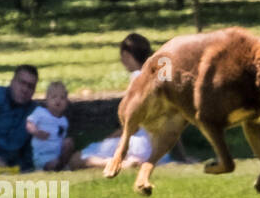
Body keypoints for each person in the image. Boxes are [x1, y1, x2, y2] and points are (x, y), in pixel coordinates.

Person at [74, 34, 184, 170]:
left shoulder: (137, 79)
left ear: (126, 55)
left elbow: (132, 122)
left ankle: (122, 164)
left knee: (77, 159)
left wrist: (109, 138)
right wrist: (181, 157)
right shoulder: (158, 78)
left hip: (139, 145)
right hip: (160, 149)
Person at [28, 81, 75, 171]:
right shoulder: (40, 112)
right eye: (54, 97)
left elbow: (61, 138)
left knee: (69, 142)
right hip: (42, 155)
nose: (58, 100)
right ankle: (49, 167)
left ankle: (61, 164)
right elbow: (29, 123)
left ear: (67, 102)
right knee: (52, 164)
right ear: (46, 100)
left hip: (57, 155)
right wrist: (36, 132)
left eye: (62, 98)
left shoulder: (64, 121)